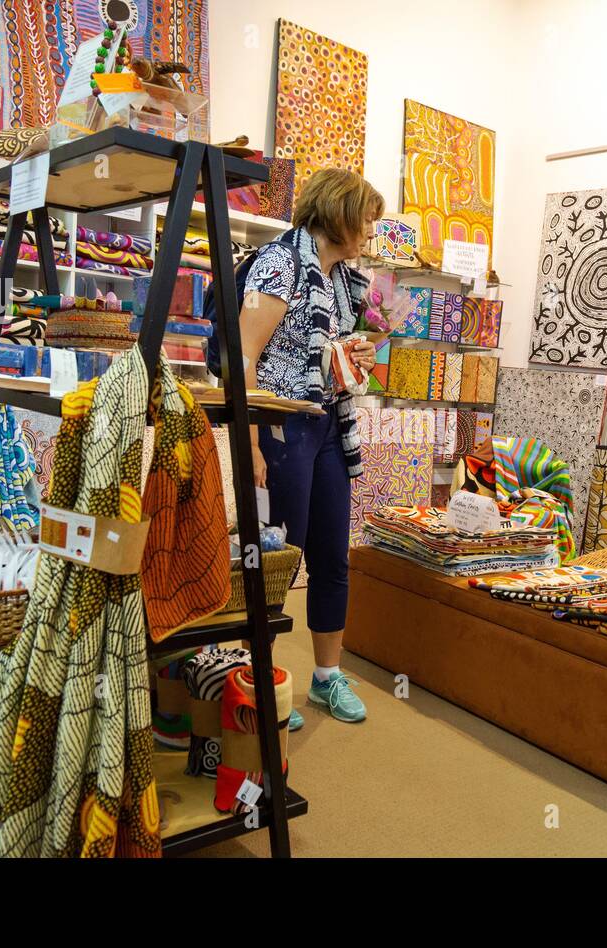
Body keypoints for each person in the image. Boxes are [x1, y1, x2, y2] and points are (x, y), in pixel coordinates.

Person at [240, 168, 384, 728]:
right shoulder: (279, 264)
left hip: (326, 425)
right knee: (279, 557)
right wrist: (250, 442)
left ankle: (326, 679)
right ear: (340, 215)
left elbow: (326, 352)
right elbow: (245, 357)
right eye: (367, 218)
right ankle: (260, 679)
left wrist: (353, 359)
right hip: (281, 426)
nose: (372, 230)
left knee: (331, 556)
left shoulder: (342, 279)